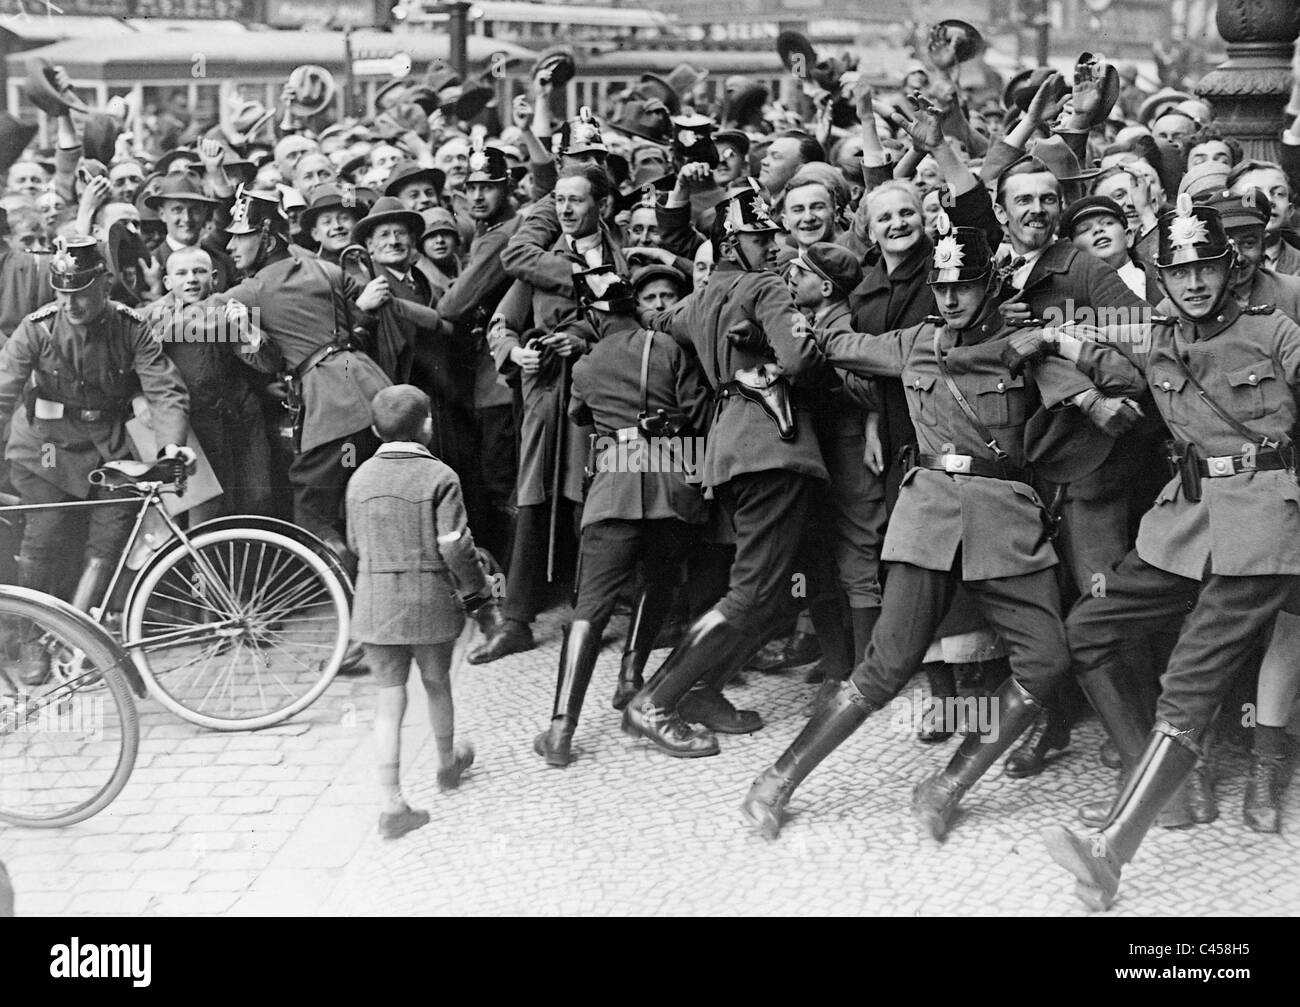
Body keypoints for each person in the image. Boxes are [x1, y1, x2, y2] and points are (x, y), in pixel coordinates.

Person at [739, 221, 1146, 841]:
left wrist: (1063, 347)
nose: (951, 299)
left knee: (1044, 661)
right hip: (927, 516)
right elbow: (839, 343)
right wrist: (812, 297)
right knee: (886, 665)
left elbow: (1118, 384)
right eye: (941, 287)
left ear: (989, 286)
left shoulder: (1026, 345)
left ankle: (945, 787)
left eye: (964, 287)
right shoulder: (914, 343)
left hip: (1006, 520)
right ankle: (776, 782)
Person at [1042, 199, 1300, 910]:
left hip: (1261, 529)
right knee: (1089, 627)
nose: (1192, 283)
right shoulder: (1159, 337)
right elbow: (1109, 358)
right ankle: (1163, 778)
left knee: (1187, 683)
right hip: (1186, 526)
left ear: (1228, 270)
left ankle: (1111, 848)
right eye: (1178, 271)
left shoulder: (1273, 332)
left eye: (1204, 269)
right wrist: (1053, 345)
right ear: (1163, 275)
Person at [628, 188, 828, 755]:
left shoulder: (703, 297)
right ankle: (656, 701)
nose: (771, 245)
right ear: (732, 242)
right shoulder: (765, 286)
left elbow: (663, 318)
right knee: (755, 590)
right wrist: (779, 337)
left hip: (729, 451)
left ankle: (703, 690)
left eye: (770, 236)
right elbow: (803, 362)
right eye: (760, 237)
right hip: (774, 446)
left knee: (773, 587)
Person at [534, 263, 710, 766]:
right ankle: (632, 675)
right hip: (669, 485)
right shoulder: (671, 349)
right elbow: (695, 413)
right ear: (632, 304)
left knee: (591, 607)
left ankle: (561, 728)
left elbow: (579, 414)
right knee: (659, 580)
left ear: (592, 313)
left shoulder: (587, 365)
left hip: (612, 487)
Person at [0, 236, 192, 683]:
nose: (70, 303)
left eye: (81, 292)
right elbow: (3, 392)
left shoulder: (130, 326)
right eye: (63, 292)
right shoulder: (38, 328)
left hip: (109, 447)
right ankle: (30, 635)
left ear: (104, 285)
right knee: (43, 541)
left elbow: (164, 388)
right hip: (45, 448)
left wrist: (170, 446)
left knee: (106, 546)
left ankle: (76, 641)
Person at [472, 163, 625, 665]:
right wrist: (518, 354)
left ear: (600, 205)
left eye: (576, 200)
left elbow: (626, 325)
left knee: (589, 501)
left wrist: (580, 338)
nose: (564, 209)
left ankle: (589, 614)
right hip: (543, 398)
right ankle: (517, 621)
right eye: (558, 199)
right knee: (533, 500)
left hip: (594, 401)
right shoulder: (543, 259)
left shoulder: (619, 259)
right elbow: (502, 324)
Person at [346, 384, 502, 838]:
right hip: (429, 604)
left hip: (375, 607)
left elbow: (356, 544)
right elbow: (455, 547)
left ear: (376, 429)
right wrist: (478, 597)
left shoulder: (358, 480)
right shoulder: (440, 476)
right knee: (437, 686)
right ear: (429, 424)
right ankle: (447, 763)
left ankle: (393, 803)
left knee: (389, 703)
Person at [140, 246, 278, 518]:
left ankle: (247, 559)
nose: (191, 279)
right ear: (167, 281)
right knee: (200, 510)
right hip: (188, 423)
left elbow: (266, 363)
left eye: (199, 271)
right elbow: (134, 367)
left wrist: (245, 328)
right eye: (181, 273)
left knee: (257, 499)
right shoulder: (151, 316)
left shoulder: (225, 307)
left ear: (214, 277)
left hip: (239, 418)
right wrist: (138, 398)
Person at [0, 207, 53, 343]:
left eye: (42, 241)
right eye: (27, 240)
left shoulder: (48, 270)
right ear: (8, 240)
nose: (37, 248)